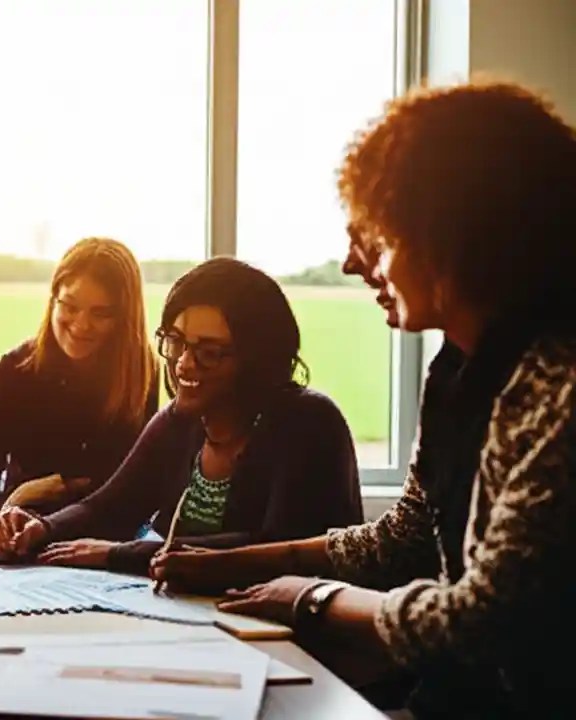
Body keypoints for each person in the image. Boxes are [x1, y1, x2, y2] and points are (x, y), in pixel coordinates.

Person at [150, 80, 576, 719]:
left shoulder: (559, 385)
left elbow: (486, 619)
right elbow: (404, 539)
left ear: (452, 235)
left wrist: (312, 597)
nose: (355, 265)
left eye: (378, 235)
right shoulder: (457, 371)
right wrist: (233, 564)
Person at [0, 257, 363, 574]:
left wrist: (118, 554)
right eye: (176, 342)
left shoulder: (308, 424)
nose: (184, 363)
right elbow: (110, 505)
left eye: (210, 352)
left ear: (257, 359)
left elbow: (277, 546)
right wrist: (41, 528)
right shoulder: (180, 421)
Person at [0, 237, 158, 547]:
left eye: (100, 314)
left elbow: (127, 486)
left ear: (123, 318)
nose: (81, 324)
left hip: (99, 540)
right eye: (70, 306)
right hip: (15, 531)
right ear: (53, 299)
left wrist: (48, 488)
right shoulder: (12, 373)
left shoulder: (141, 377)